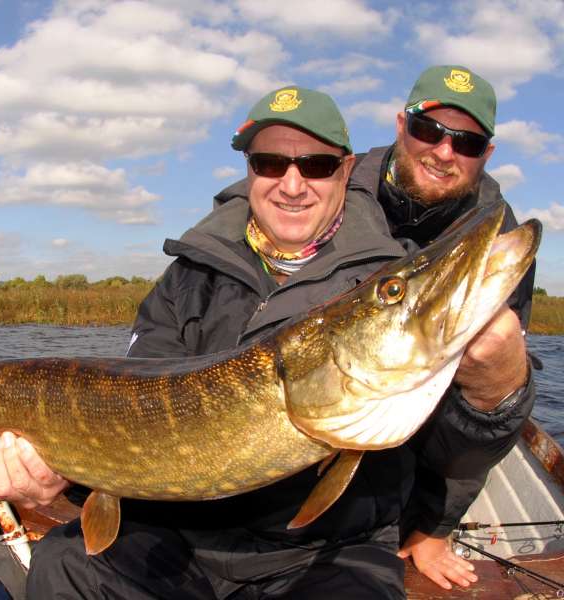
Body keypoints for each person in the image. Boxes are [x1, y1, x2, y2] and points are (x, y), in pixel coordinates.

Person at [0, 83, 528, 598]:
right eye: (270, 163)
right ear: (249, 171)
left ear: (346, 170)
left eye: (315, 165)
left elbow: (455, 457)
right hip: (181, 535)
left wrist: (496, 388)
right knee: (66, 565)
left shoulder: (387, 269)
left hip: (327, 547)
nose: (292, 184)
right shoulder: (188, 277)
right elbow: (132, 411)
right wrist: (62, 475)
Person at [209, 65, 536, 591]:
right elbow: (258, 196)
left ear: (487, 154)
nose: (444, 152)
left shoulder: (497, 230)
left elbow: (476, 415)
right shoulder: (337, 175)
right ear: (401, 126)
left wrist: (436, 526)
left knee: (488, 374)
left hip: (391, 410)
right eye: (429, 131)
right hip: (315, 382)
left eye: (468, 143)